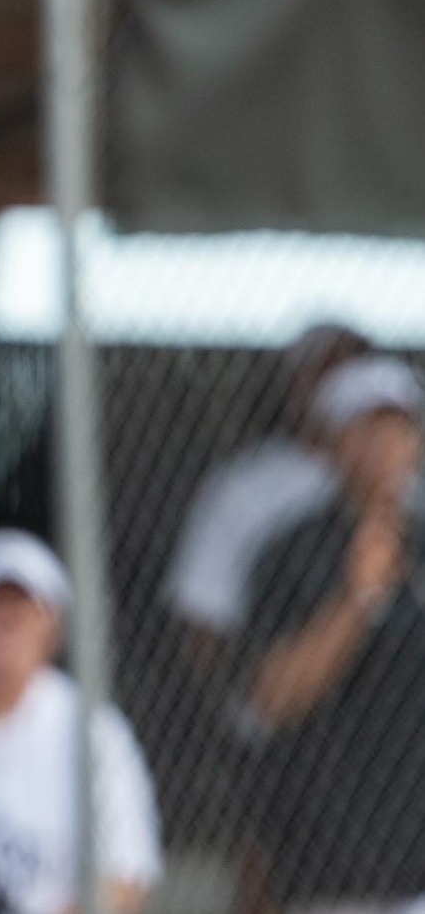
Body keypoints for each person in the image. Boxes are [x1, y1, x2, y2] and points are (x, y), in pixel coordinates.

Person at [240, 354, 425, 914]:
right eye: (367, 427)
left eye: (399, 426)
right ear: (334, 442)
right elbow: (271, 696)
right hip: (333, 870)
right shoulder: (291, 551)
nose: (386, 444)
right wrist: (357, 598)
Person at [0, 529, 163, 914]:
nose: (5, 625)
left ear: (53, 627)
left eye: (21, 611)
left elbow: (125, 878)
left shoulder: (91, 729)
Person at [164, 322, 372, 672]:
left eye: (359, 371)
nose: (344, 388)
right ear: (296, 383)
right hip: (275, 683)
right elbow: (202, 620)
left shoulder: (409, 492)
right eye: (327, 370)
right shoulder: (242, 486)